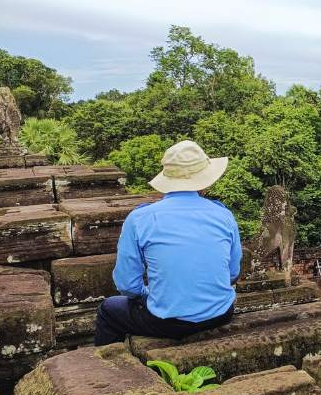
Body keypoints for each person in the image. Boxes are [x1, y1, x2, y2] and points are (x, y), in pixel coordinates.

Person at [94, 140, 240, 346]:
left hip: (168, 321)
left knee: (108, 309)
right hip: (221, 312)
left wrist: (148, 294)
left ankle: (111, 367)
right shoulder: (224, 215)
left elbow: (127, 286)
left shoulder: (140, 218)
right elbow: (233, 273)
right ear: (205, 181)